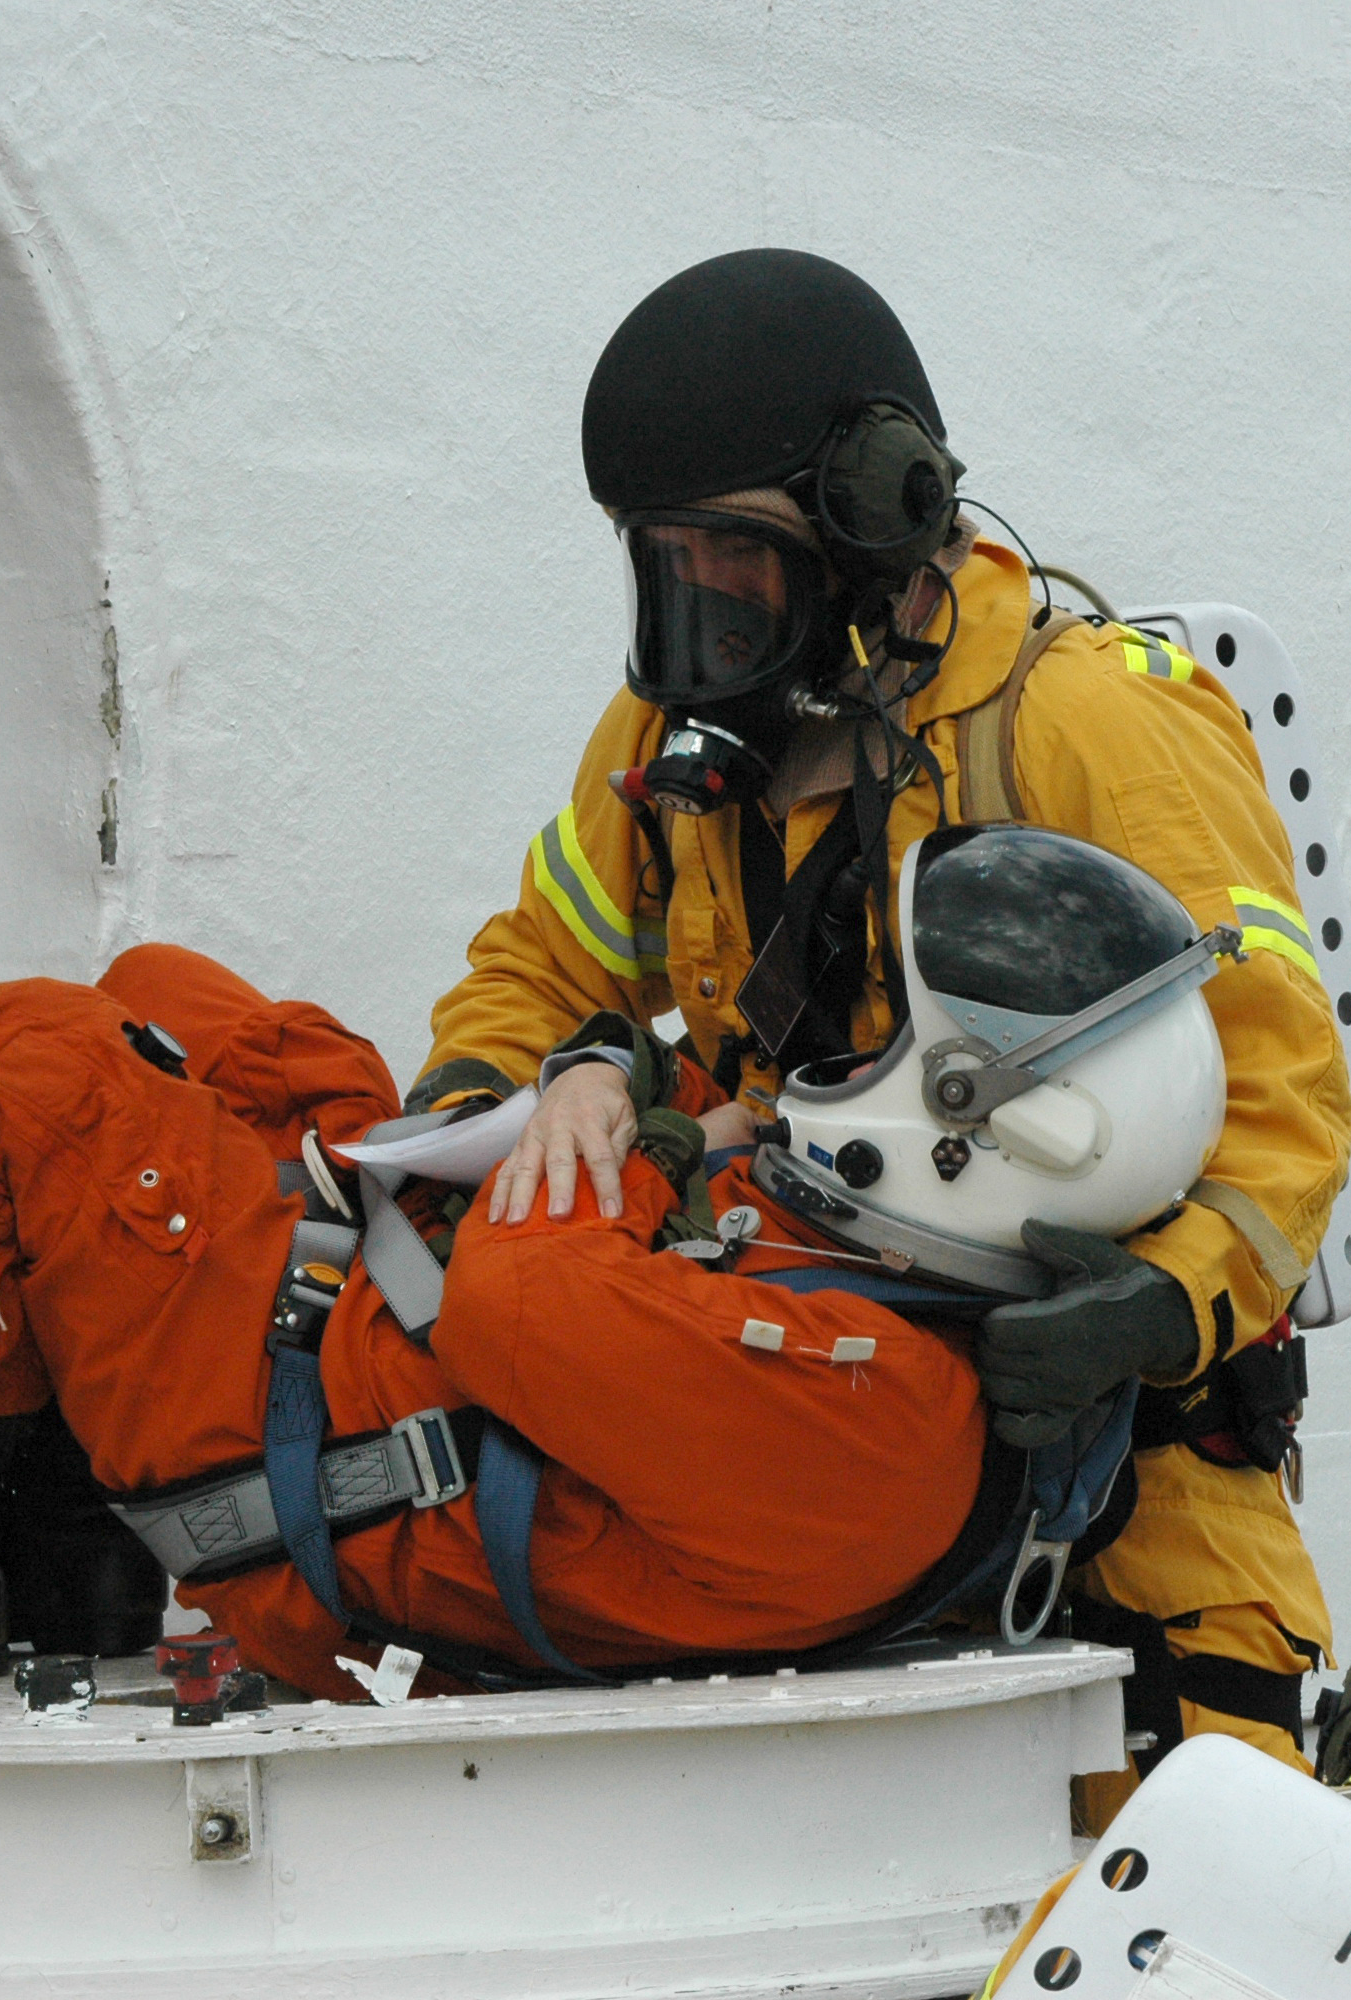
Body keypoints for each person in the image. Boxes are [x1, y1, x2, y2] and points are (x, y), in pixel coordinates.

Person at [411, 248, 1349, 1800]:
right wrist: (502, 1095)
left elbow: (1284, 1090)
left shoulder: (1081, 720)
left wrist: (1161, 1304)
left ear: (874, 512)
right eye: (661, 563)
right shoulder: (671, 749)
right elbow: (536, 970)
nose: (694, 609)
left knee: (1191, 1861)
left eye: (732, 559)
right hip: (806, 1394)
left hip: (1107, 1441)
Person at [0, 941, 997, 1696]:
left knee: (17, 1052)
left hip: (275, 1442)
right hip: (368, 1328)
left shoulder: (883, 1423)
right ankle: (62, 1548)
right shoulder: (894, 1331)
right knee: (168, 993)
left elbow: (520, 1298)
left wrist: (639, 1129)